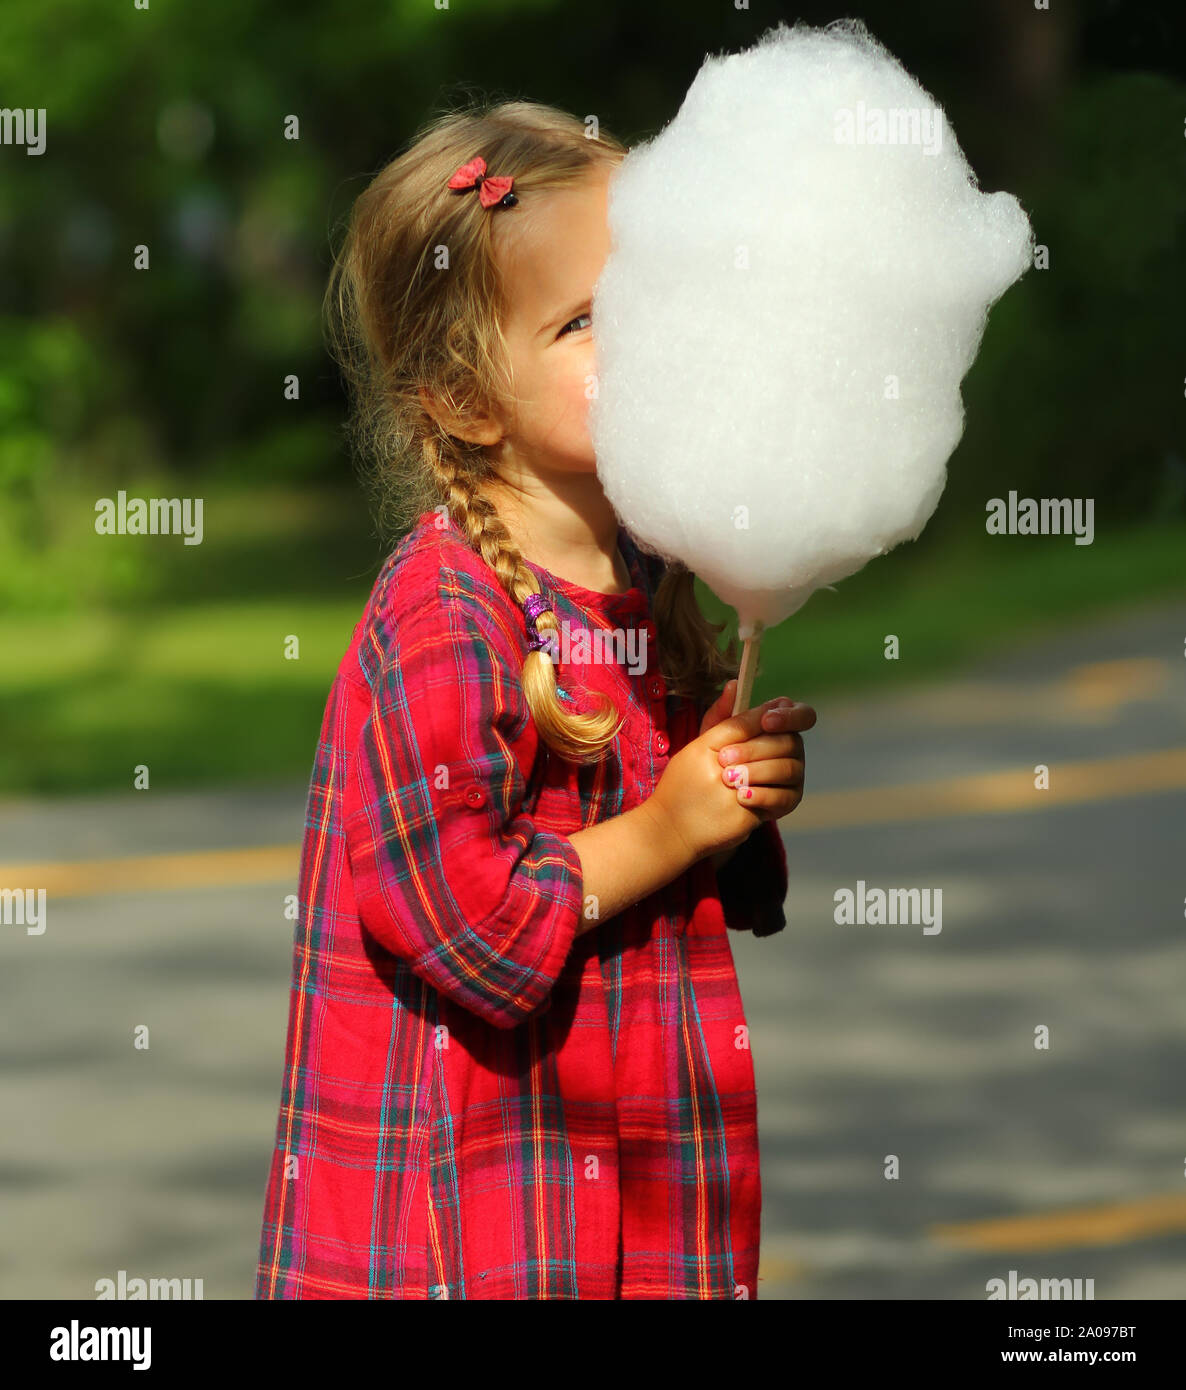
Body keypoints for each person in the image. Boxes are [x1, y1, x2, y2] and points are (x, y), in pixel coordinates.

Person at [254, 98, 816, 1301]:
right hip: (483, 1194)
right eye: (583, 322)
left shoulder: (654, 577)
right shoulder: (443, 615)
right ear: (462, 399)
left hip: (644, 1155)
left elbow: (694, 864)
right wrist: (668, 823)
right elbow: (461, 918)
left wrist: (734, 794)